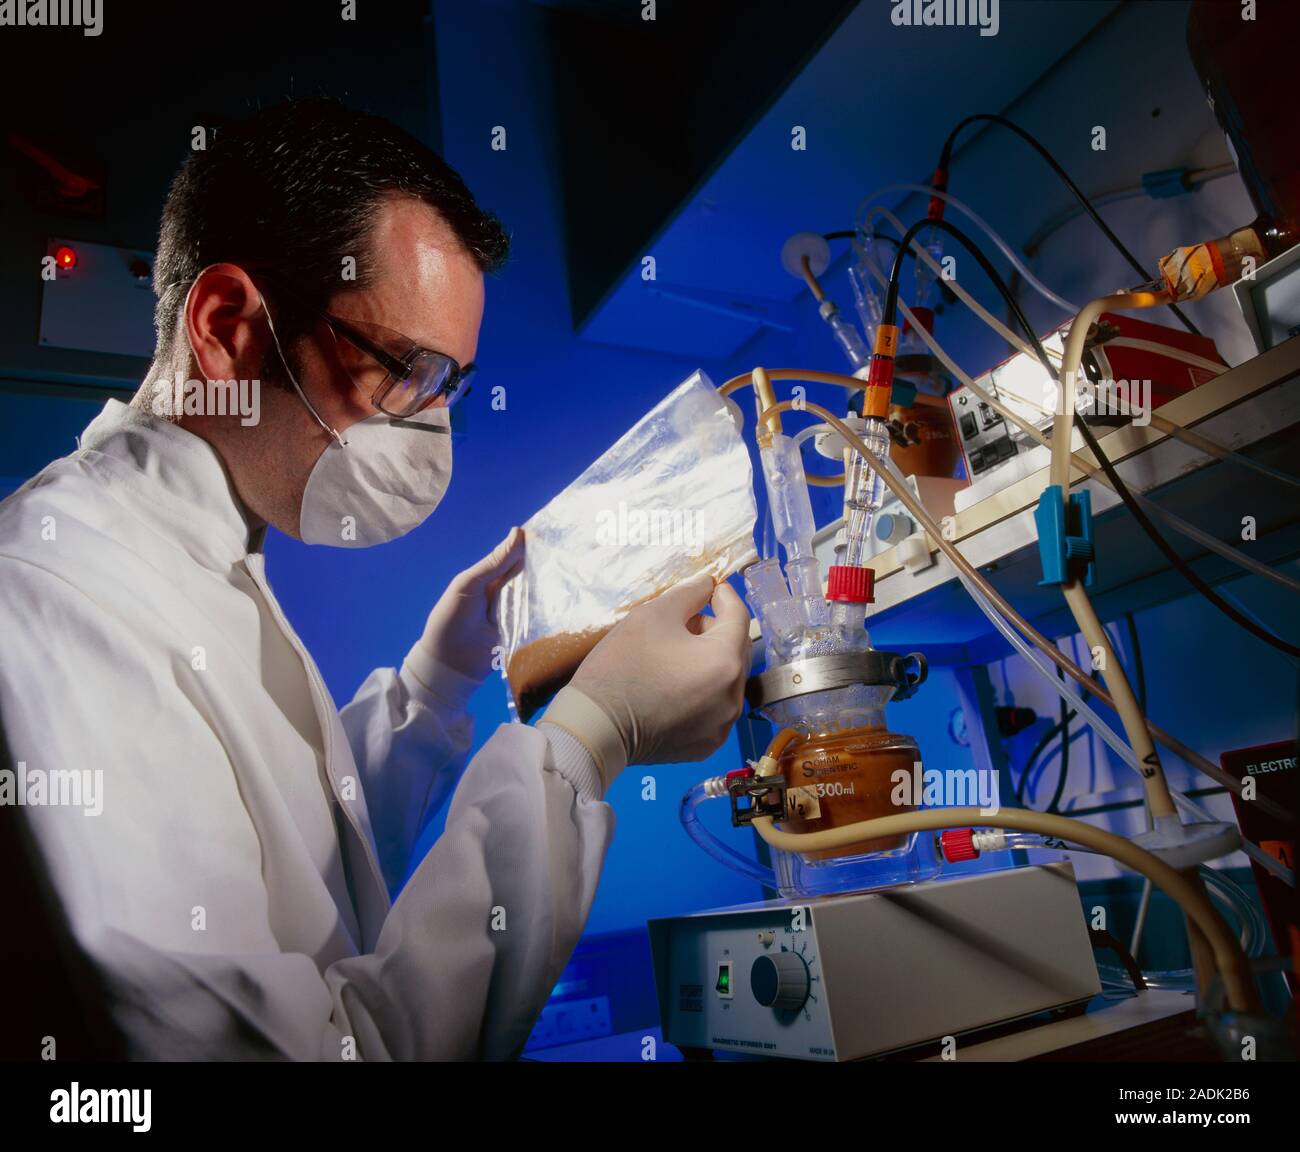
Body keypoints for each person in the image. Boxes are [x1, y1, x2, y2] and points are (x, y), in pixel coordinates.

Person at [0, 99, 750, 1060]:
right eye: (405, 369)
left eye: (452, 387)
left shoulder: (203, 561)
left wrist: (434, 683)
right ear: (228, 326)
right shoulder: (57, 592)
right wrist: (585, 743)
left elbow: (302, 883)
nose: (432, 428)